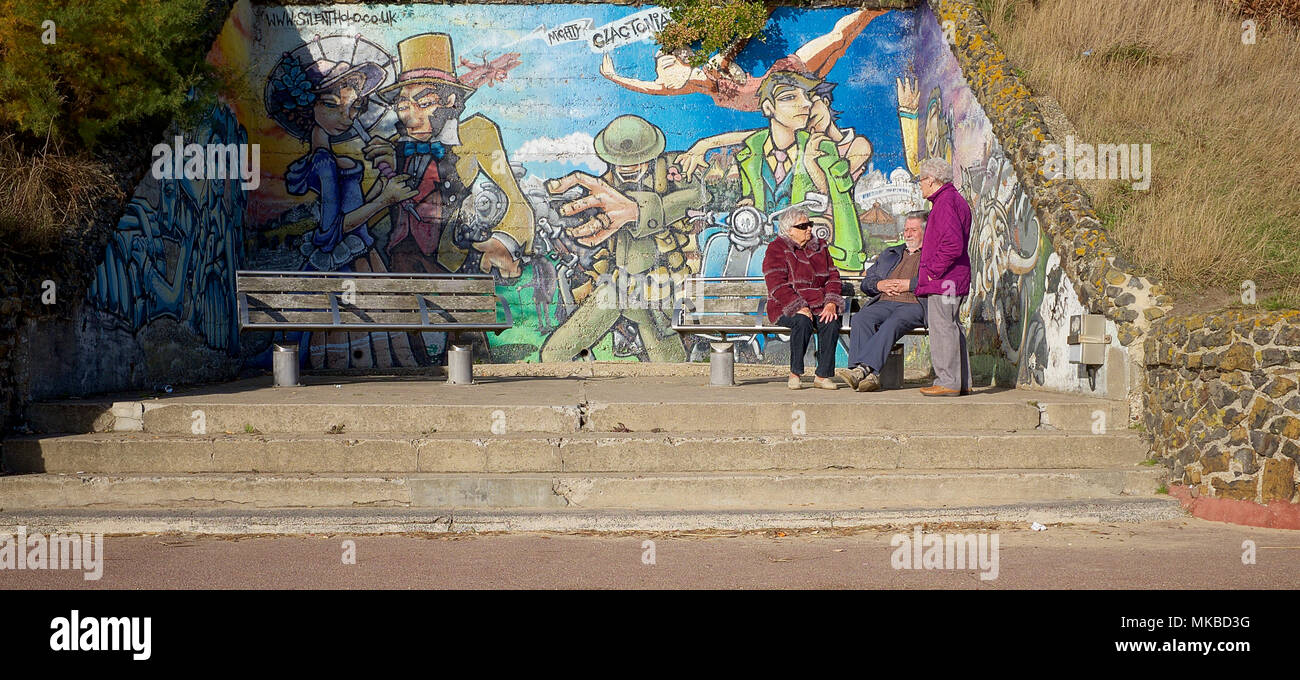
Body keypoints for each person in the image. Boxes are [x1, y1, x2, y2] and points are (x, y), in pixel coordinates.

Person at [363, 32, 535, 277]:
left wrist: (504, 242)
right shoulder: (392, 148)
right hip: (396, 267)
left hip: (451, 265)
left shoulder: (476, 133)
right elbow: (363, 218)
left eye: (424, 103)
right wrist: (381, 183)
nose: (410, 117)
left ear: (450, 99)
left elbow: (517, 201)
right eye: (402, 106)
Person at [538, 115, 703, 362]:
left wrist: (638, 211)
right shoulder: (605, 186)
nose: (627, 167)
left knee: (671, 366)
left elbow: (698, 195)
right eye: (619, 162)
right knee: (554, 354)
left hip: (661, 291)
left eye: (635, 161)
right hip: (617, 286)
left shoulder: (674, 171)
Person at [599, 9, 885, 112]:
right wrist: (613, 77)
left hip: (784, 77)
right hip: (783, 91)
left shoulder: (714, 65)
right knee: (838, 45)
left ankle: (873, 10)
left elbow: (649, 87)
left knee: (838, 43)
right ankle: (870, 12)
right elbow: (648, 88)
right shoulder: (698, 86)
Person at [836, 211, 928, 392]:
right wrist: (880, 284)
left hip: (913, 303)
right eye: (906, 229)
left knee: (893, 323)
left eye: (913, 230)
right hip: (885, 301)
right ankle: (864, 376)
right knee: (862, 319)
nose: (908, 234)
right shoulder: (890, 253)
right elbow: (866, 283)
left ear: (925, 231)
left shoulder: (932, 255)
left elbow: (935, 280)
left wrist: (909, 284)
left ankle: (862, 370)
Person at [762, 208, 845, 390]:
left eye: (810, 224)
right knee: (802, 321)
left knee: (831, 322)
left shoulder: (820, 247)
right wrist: (798, 305)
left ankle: (822, 376)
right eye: (803, 226)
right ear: (789, 230)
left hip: (819, 304)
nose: (809, 229)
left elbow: (833, 277)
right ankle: (795, 373)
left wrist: (831, 302)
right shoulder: (777, 248)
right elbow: (776, 283)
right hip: (784, 305)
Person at [915, 157, 972, 396]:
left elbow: (952, 244)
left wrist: (933, 272)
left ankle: (947, 381)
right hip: (952, 278)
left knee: (942, 328)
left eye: (921, 180)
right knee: (951, 326)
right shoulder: (951, 200)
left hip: (945, 280)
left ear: (931, 180)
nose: (919, 185)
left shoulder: (945, 202)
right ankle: (961, 381)